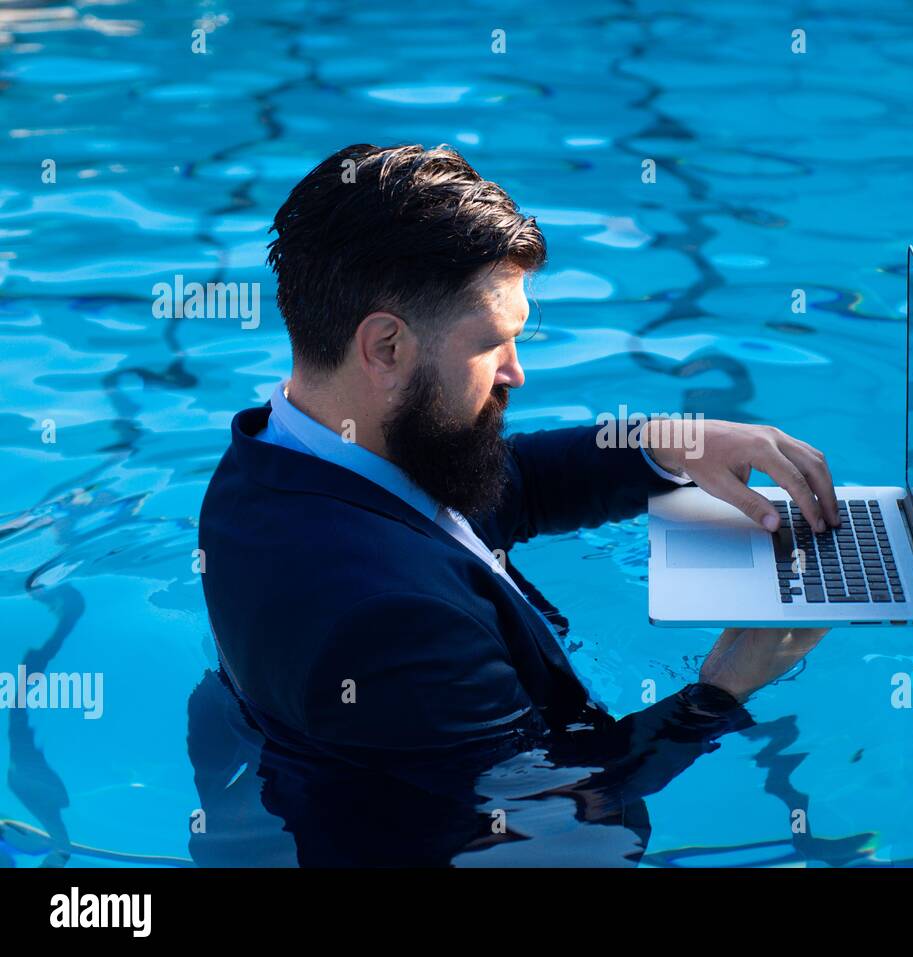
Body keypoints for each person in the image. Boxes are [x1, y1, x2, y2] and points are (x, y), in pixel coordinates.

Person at [192, 143, 837, 865]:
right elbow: (551, 810)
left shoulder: (277, 457)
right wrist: (724, 688)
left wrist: (666, 443)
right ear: (385, 347)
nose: (517, 373)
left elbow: (504, 487)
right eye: (493, 344)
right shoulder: (385, 619)